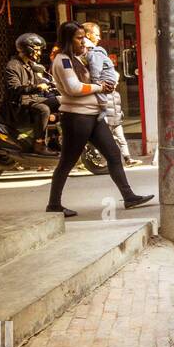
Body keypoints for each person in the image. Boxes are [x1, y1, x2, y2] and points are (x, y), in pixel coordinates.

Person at [46, 21, 153, 217]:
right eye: (79, 38)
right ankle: (53, 204)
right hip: (76, 118)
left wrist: (104, 83)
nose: (83, 42)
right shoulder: (63, 60)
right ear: (68, 40)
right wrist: (100, 87)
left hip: (93, 116)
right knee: (67, 162)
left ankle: (129, 196)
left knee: (113, 154)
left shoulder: (77, 59)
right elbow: (74, 88)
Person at [82, 20, 139, 166]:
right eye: (97, 34)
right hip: (105, 102)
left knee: (119, 135)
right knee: (109, 136)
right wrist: (99, 85)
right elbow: (95, 73)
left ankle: (126, 158)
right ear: (88, 35)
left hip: (112, 105)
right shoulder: (94, 53)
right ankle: (112, 159)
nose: (99, 38)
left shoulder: (94, 53)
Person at [1, 33, 59, 151]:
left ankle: (56, 139)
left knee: (60, 101)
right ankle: (39, 144)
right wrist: (37, 88)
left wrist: (54, 84)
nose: (39, 53)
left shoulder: (31, 65)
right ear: (28, 49)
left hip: (32, 100)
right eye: (37, 50)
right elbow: (14, 88)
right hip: (17, 105)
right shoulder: (13, 66)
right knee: (43, 109)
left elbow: (40, 80)